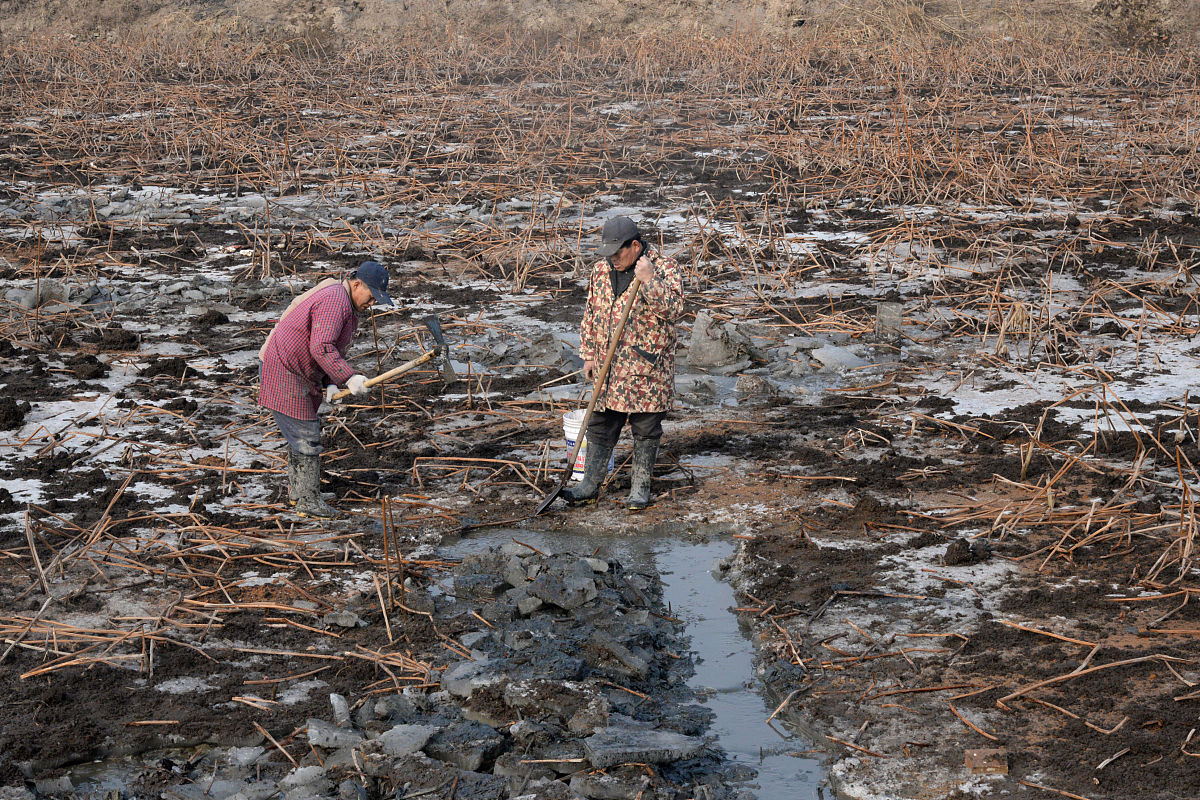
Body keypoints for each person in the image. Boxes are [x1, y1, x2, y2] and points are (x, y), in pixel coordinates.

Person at [563, 216, 684, 510]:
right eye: (609, 254)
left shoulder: (664, 268)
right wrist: (589, 353)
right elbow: (592, 313)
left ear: (635, 245)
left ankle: (639, 489)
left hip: (646, 369)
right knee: (601, 424)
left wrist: (650, 281)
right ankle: (589, 485)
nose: (613, 259)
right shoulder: (601, 270)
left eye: (618, 253)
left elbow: (675, 310)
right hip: (608, 365)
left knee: (645, 428)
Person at [258, 260, 394, 518]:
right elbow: (321, 347)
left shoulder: (346, 302)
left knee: (302, 437)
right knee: (306, 438)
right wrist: (348, 376)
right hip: (285, 372)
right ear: (356, 284)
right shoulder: (335, 301)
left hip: (299, 373)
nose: (373, 303)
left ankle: (301, 493)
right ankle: (308, 501)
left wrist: (330, 381)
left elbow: (320, 344)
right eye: (372, 296)